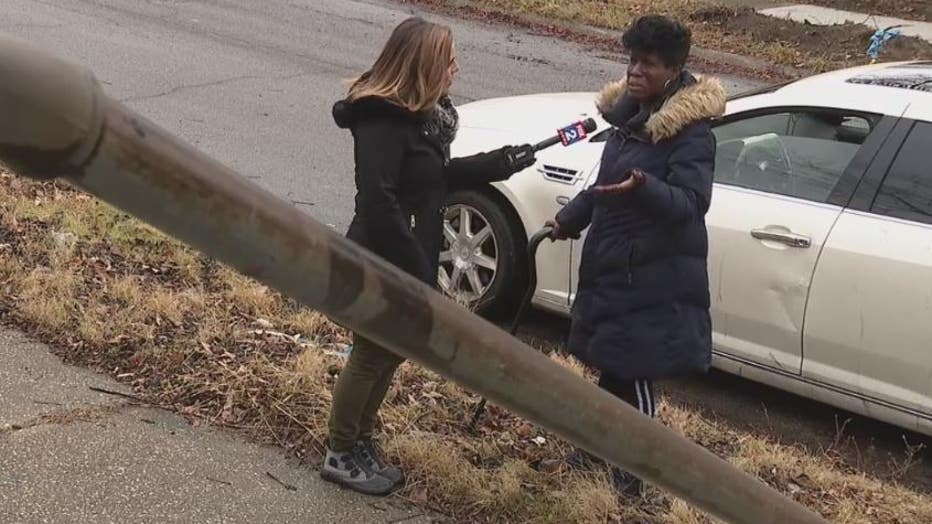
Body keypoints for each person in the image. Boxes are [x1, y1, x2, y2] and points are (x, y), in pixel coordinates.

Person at [323, 17, 537, 496]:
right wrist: (419, 271)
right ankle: (340, 451)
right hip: (382, 256)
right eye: (449, 59)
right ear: (422, 65)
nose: (456, 67)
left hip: (410, 252)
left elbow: (430, 178)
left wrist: (497, 163)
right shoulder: (381, 118)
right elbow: (378, 201)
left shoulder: (422, 117)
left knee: (392, 352)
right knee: (372, 352)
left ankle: (360, 440)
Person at [548, 15, 726, 497]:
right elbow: (607, 182)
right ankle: (591, 453)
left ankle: (637, 475)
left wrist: (644, 188)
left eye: (647, 63)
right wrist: (572, 217)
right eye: (631, 61)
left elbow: (691, 204)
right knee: (614, 366)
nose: (634, 71)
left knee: (636, 377)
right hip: (617, 266)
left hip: (654, 277)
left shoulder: (690, 133)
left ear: (674, 69)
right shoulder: (631, 117)